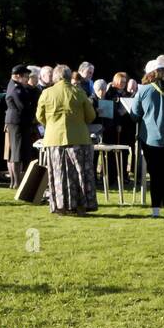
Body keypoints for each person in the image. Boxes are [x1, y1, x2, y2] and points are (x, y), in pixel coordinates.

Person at [35, 63, 98, 215]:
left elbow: (39, 116)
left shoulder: (46, 93)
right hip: (79, 138)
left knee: (59, 174)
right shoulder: (79, 92)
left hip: (54, 139)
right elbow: (91, 116)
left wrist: (51, 125)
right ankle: (82, 206)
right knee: (81, 173)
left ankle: (61, 207)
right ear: (70, 77)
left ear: (55, 77)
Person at [132, 59, 164, 218]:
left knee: (155, 175)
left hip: (150, 139)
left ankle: (156, 210)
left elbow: (134, 115)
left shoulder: (143, 90)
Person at [4, 63, 38, 188]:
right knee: (16, 154)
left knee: (13, 153)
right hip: (17, 122)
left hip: (14, 122)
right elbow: (23, 108)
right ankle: (17, 182)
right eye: (25, 76)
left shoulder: (13, 85)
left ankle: (14, 182)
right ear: (17, 76)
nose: (27, 79)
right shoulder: (16, 89)